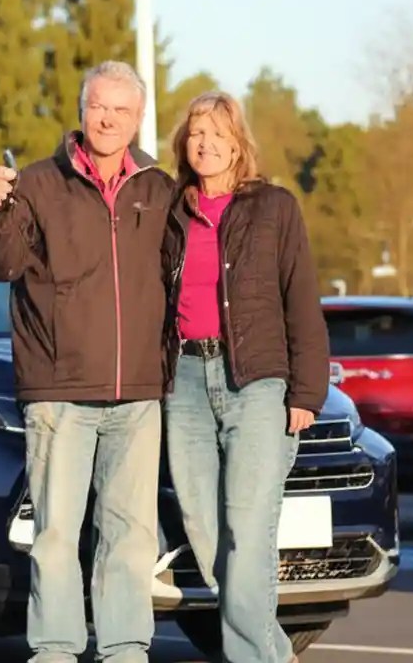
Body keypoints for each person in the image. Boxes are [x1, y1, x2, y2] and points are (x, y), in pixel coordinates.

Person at [0, 60, 179, 663]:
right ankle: (55, 649)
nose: (107, 118)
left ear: (138, 119)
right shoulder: (36, 183)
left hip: (137, 393)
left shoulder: (158, 189)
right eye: (97, 106)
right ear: (82, 112)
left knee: (130, 536)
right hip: (59, 392)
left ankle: (125, 649)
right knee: (57, 534)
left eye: (121, 109)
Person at [160, 91, 330, 663]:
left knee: (249, 533)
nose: (204, 143)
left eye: (216, 133)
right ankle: (274, 655)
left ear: (238, 144)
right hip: (184, 380)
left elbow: (301, 300)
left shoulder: (273, 208)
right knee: (208, 536)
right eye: (195, 133)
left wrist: (307, 391)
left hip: (256, 383)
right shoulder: (172, 210)